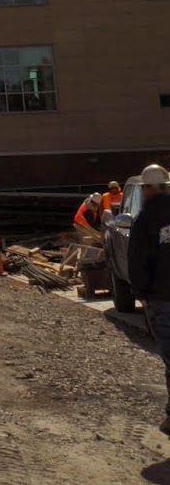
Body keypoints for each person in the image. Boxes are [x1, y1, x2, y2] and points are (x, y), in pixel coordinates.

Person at [127, 163, 170, 436]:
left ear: (146, 189)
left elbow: (138, 261)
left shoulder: (145, 220)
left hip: (162, 300)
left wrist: (140, 294)